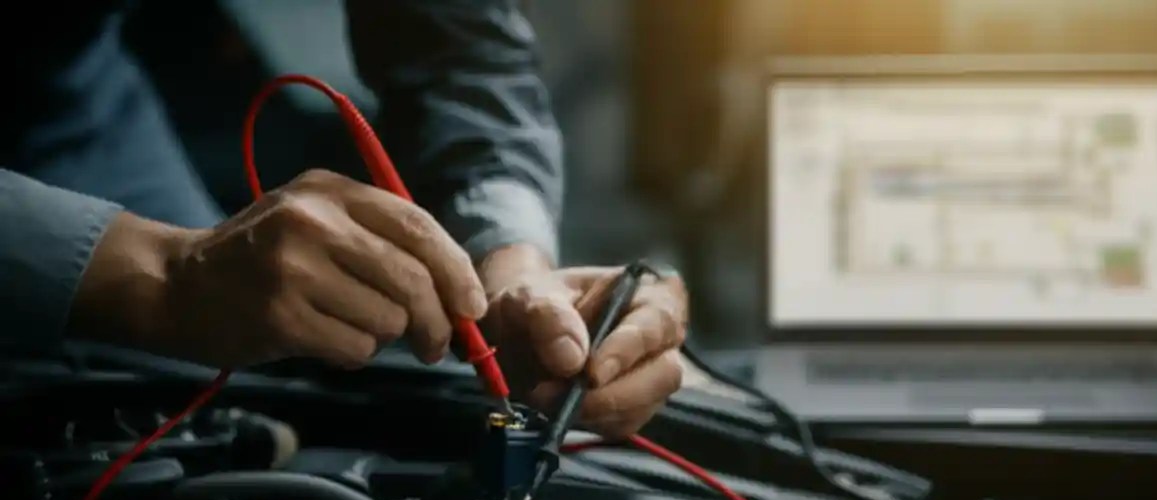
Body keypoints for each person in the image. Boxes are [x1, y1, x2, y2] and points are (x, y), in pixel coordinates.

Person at [0, 1, 687, 439]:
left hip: (62, 81)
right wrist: (158, 277)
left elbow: (453, 43)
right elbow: (163, 281)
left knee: (229, 415)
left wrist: (513, 268)